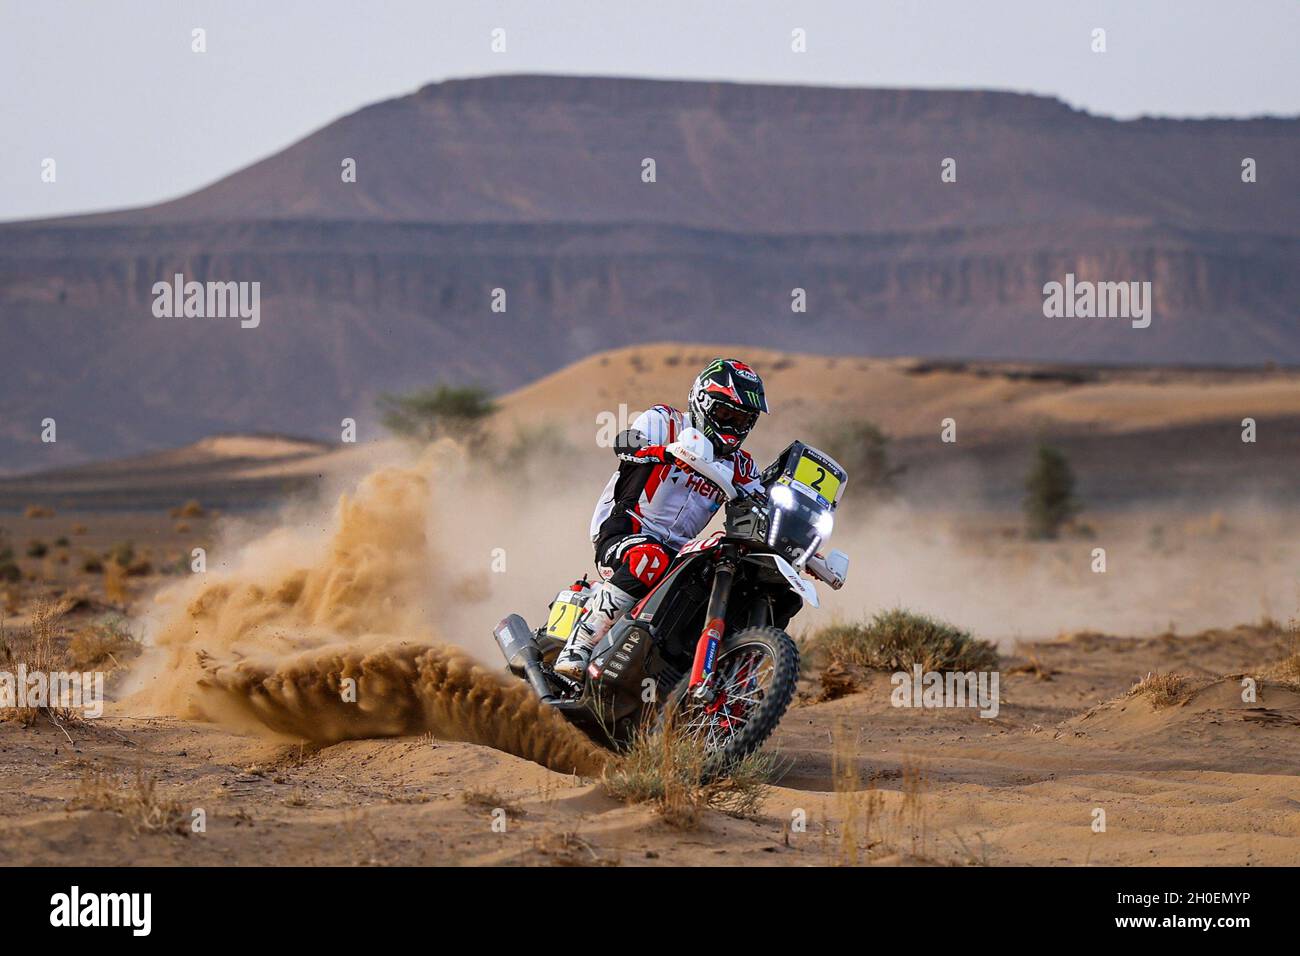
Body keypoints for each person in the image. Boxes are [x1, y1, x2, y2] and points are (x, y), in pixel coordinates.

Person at [552, 358, 769, 680]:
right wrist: (666, 453)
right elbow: (625, 443)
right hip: (625, 530)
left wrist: (801, 543)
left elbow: (762, 503)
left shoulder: (743, 465)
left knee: (730, 582)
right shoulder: (665, 421)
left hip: (681, 554)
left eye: (743, 420)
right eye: (726, 415)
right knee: (649, 558)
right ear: (704, 403)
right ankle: (579, 645)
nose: (734, 426)